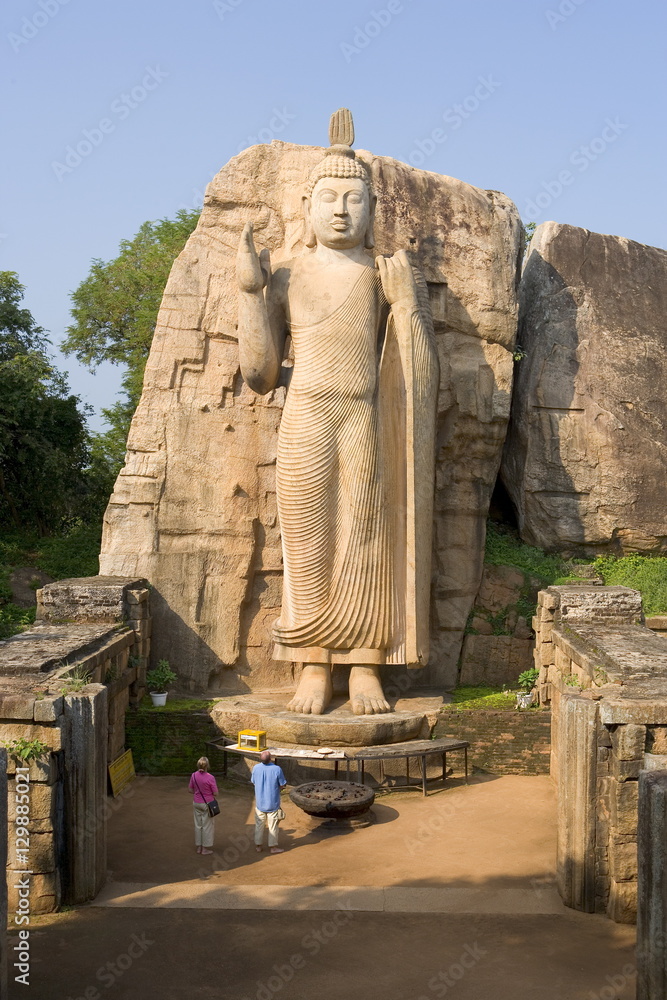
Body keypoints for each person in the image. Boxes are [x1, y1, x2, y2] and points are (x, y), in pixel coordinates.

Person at [236, 108, 439, 717]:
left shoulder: (382, 275)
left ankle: (366, 667)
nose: (342, 211)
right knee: (306, 541)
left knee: (365, 537)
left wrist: (406, 305)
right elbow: (260, 374)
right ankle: (314, 665)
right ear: (307, 206)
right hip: (305, 415)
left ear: (373, 209)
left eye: (355, 199)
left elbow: (417, 371)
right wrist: (250, 293)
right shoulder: (287, 275)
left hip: (363, 418)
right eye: (330, 198)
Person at [251, 750, 287, 854]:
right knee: (273, 827)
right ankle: (273, 847)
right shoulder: (277, 769)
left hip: (260, 803)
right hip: (273, 803)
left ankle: (258, 846)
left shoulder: (256, 768)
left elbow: (253, 782)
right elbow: (282, 784)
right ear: (270, 758)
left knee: (259, 825)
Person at [189, 756, 218, 855]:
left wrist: (198, 792)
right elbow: (215, 793)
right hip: (207, 804)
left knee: (198, 825)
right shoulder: (210, 777)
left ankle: (199, 847)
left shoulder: (193, 775)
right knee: (207, 826)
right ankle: (204, 848)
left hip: (196, 803)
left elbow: (190, 790)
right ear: (207, 766)